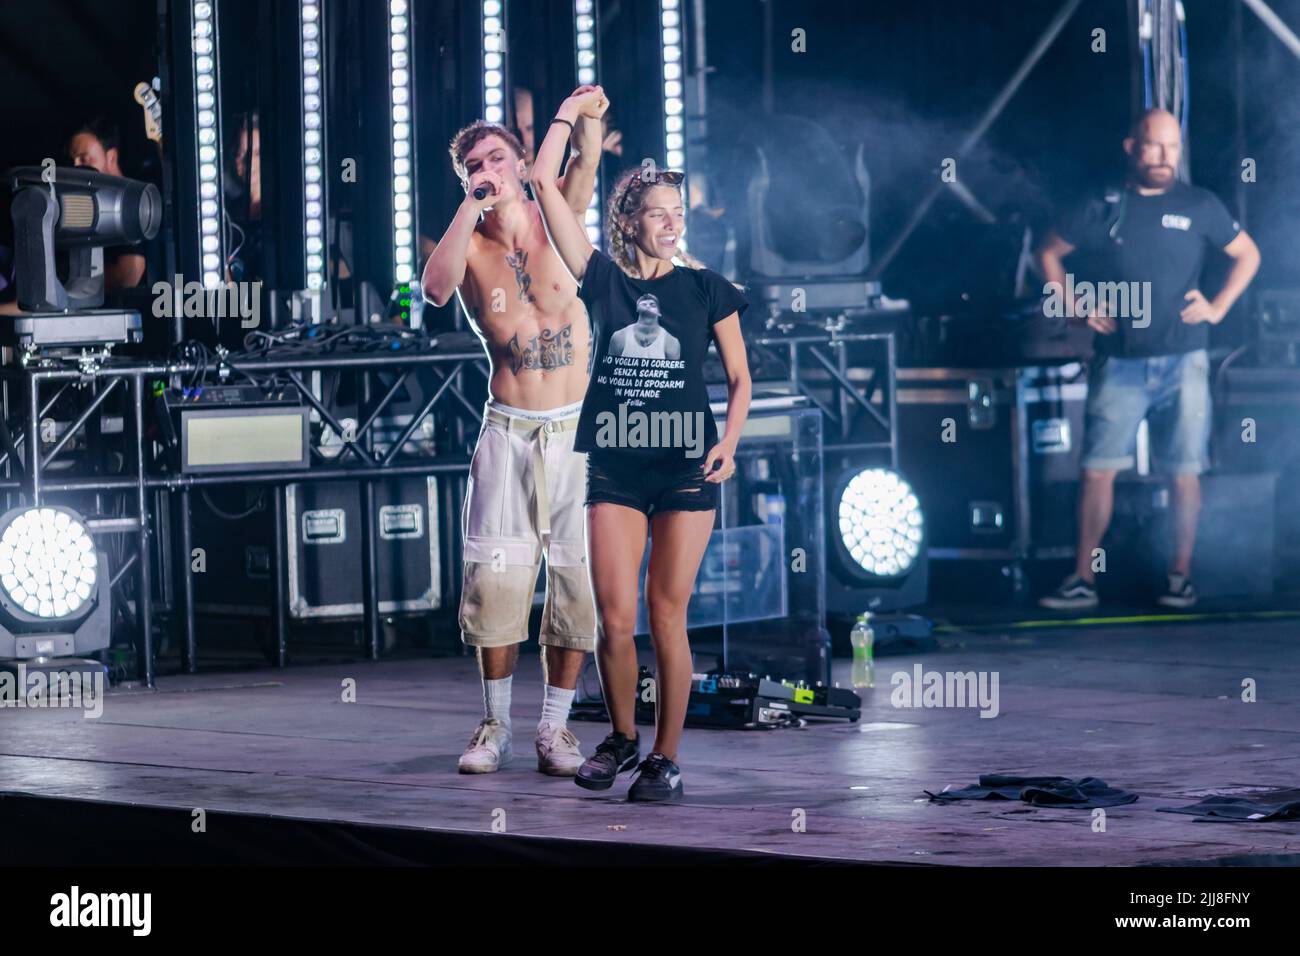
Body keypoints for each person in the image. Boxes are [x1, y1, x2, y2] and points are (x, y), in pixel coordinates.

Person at [531, 87, 753, 802]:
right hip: (617, 467)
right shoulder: (600, 279)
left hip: (687, 468)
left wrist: (731, 440)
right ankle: (622, 736)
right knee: (614, 617)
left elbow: (741, 379)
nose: (670, 223)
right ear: (628, 222)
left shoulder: (706, 288)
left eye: (678, 215)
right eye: (657, 213)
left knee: (666, 616)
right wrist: (569, 115)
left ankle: (665, 758)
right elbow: (542, 183)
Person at [420, 89, 603, 776]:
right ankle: (494, 723)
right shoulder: (465, 247)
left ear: (521, 162)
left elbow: (578, 164)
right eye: (474, 162)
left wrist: (581, 113)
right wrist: (471, 203)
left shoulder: (559, 214)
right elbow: (435, 290)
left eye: (498, 156)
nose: (487, 166)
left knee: (574, 581)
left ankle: (554, 731)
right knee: (496, 581)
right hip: (509, 429)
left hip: (577, 428)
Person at [1037, 109, 1260, 611]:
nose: (1164, 157)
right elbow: (1047, 253)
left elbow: (1249, 254)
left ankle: (1179, 576)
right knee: (1097, 471)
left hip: (1185, 360)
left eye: (1173, 147)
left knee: (1184, 470)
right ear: (1131, 148)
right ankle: (1083, 579)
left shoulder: (1200, 204)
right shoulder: (1103, 204)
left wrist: (1218, 306)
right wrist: (1076, 309)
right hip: (1120, 362)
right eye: (1154, 146)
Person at [67, 117, 147, 291]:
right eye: (73, 160)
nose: (76, 166)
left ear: (111, 157)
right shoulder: (89, 203)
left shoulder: (132, 203)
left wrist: (69, 281)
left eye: (84, 159)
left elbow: (129, 274)